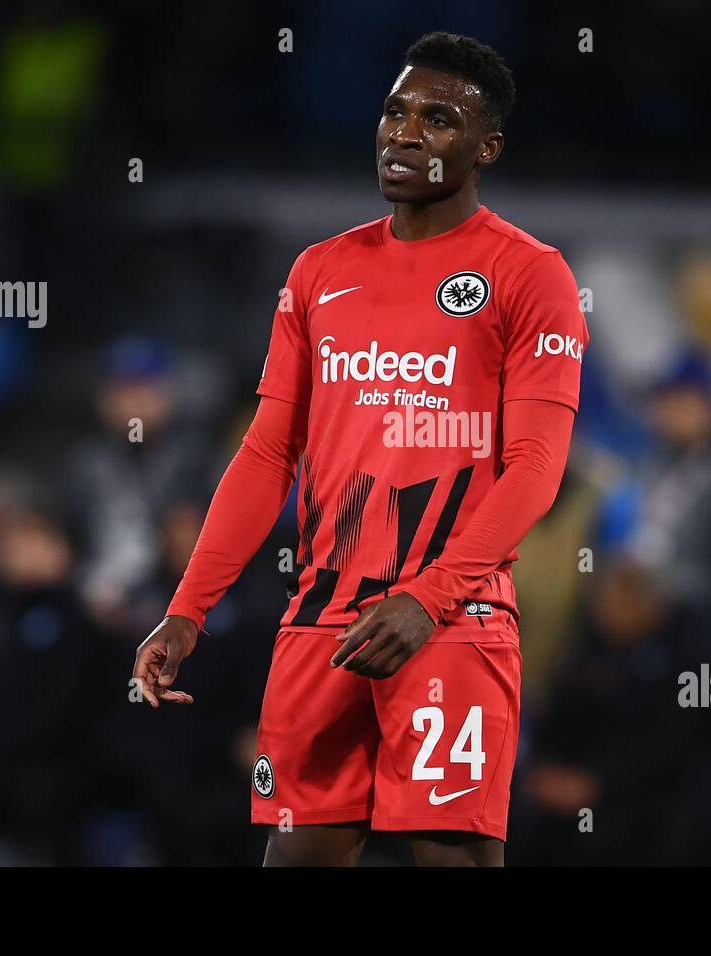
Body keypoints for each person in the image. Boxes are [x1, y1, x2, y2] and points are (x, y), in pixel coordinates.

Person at [130, 32, 588, 866]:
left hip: (451, 621)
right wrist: (188, 609)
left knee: (448, 855)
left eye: (438, 119)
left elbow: (536, 469)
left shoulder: (531, 275)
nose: (405, 133)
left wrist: (432, 597)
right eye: (395, 110)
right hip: (320, 619)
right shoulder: (318, 272)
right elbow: (268, 453)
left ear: (486, 148)